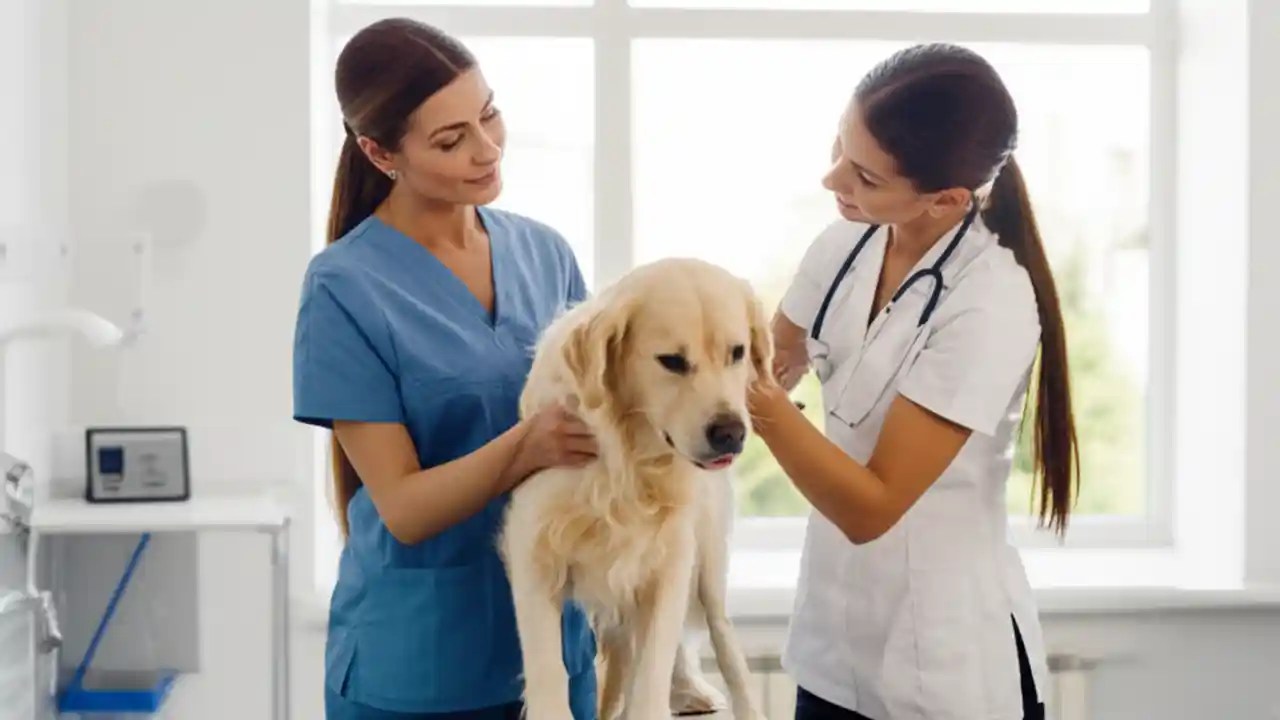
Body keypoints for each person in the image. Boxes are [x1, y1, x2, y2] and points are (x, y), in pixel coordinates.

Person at [746, 43, 1079, 720]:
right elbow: (767, 358)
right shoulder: (843, 246)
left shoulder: (990, 301)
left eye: (864, 176)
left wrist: (755, 403)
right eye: (840, 146)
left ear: (947, 199)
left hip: (944, 671)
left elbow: (872, 507)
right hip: (833, 653)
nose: (832, 179)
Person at [291, 18, 599, 720]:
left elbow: (596, 420)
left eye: (489, 115)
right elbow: (403, 508)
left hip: (555, 655)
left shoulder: (545, 253)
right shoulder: (344, 286)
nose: (487, 149)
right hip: (420, 667)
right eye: (451, 140)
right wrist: (528, 446)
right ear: (379, 152)